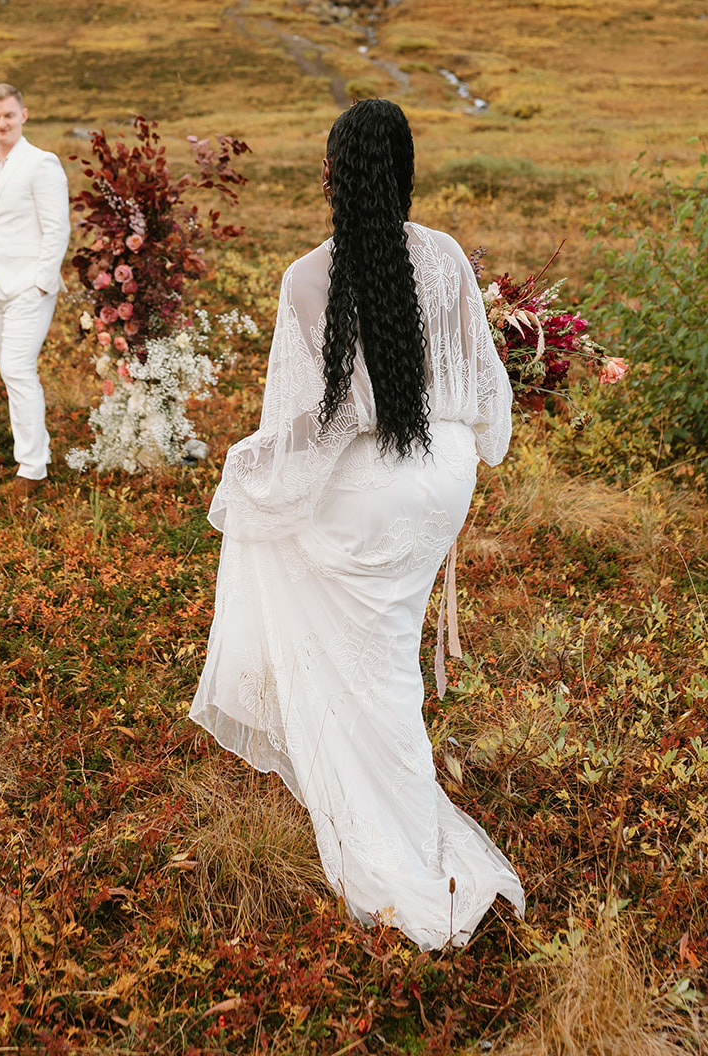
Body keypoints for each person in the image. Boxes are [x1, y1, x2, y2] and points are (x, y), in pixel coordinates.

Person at [190, 97, 524, 947]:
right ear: (404, 171)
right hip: (441, 477)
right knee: (383, 652)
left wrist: (244, 471)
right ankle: (388, 778)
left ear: (333, 175)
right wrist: (458, 452)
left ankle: (401, 855)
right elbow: (488, 396)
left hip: (377, 488)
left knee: (273, 542)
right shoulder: (444, 257)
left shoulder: (308, 277)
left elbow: (315, 429)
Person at [0, 83, 70, 499]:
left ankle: (32, 469)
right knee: (11, 374)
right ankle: (28, 454)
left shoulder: (42, 163)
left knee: (17, 369)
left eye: (9, 115)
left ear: (23, 115)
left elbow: (57, 227)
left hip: (29, 287)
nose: (2, 123)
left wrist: (42, 282)